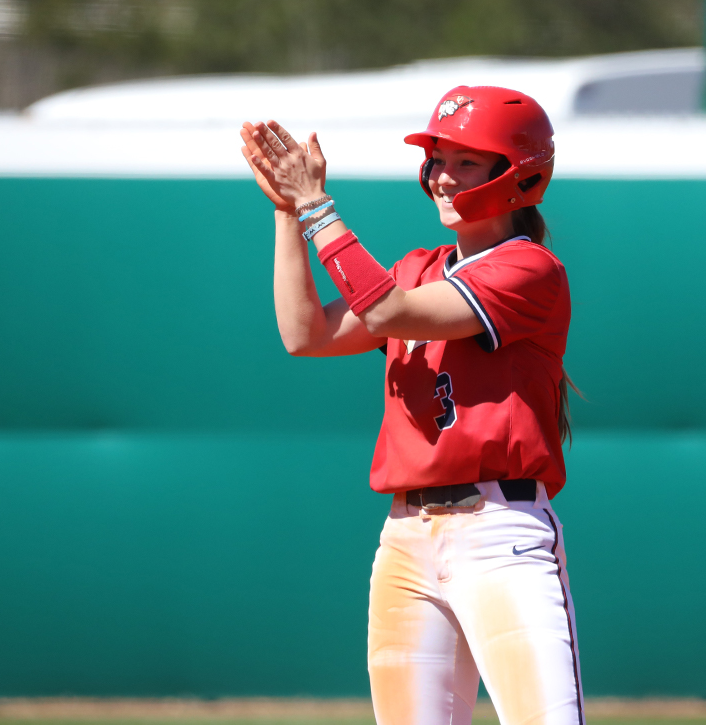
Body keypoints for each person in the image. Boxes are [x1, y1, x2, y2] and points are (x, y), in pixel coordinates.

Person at [239, 86, 582, 725]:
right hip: (406, 540)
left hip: (499, 533)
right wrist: (289, 213)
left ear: (520, 173)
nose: (443, 175)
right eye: (438, 158)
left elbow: (389, 311)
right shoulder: (419, 267)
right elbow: (305, 334)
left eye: (467, 161)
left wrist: (318, 206)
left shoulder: (530, 269)